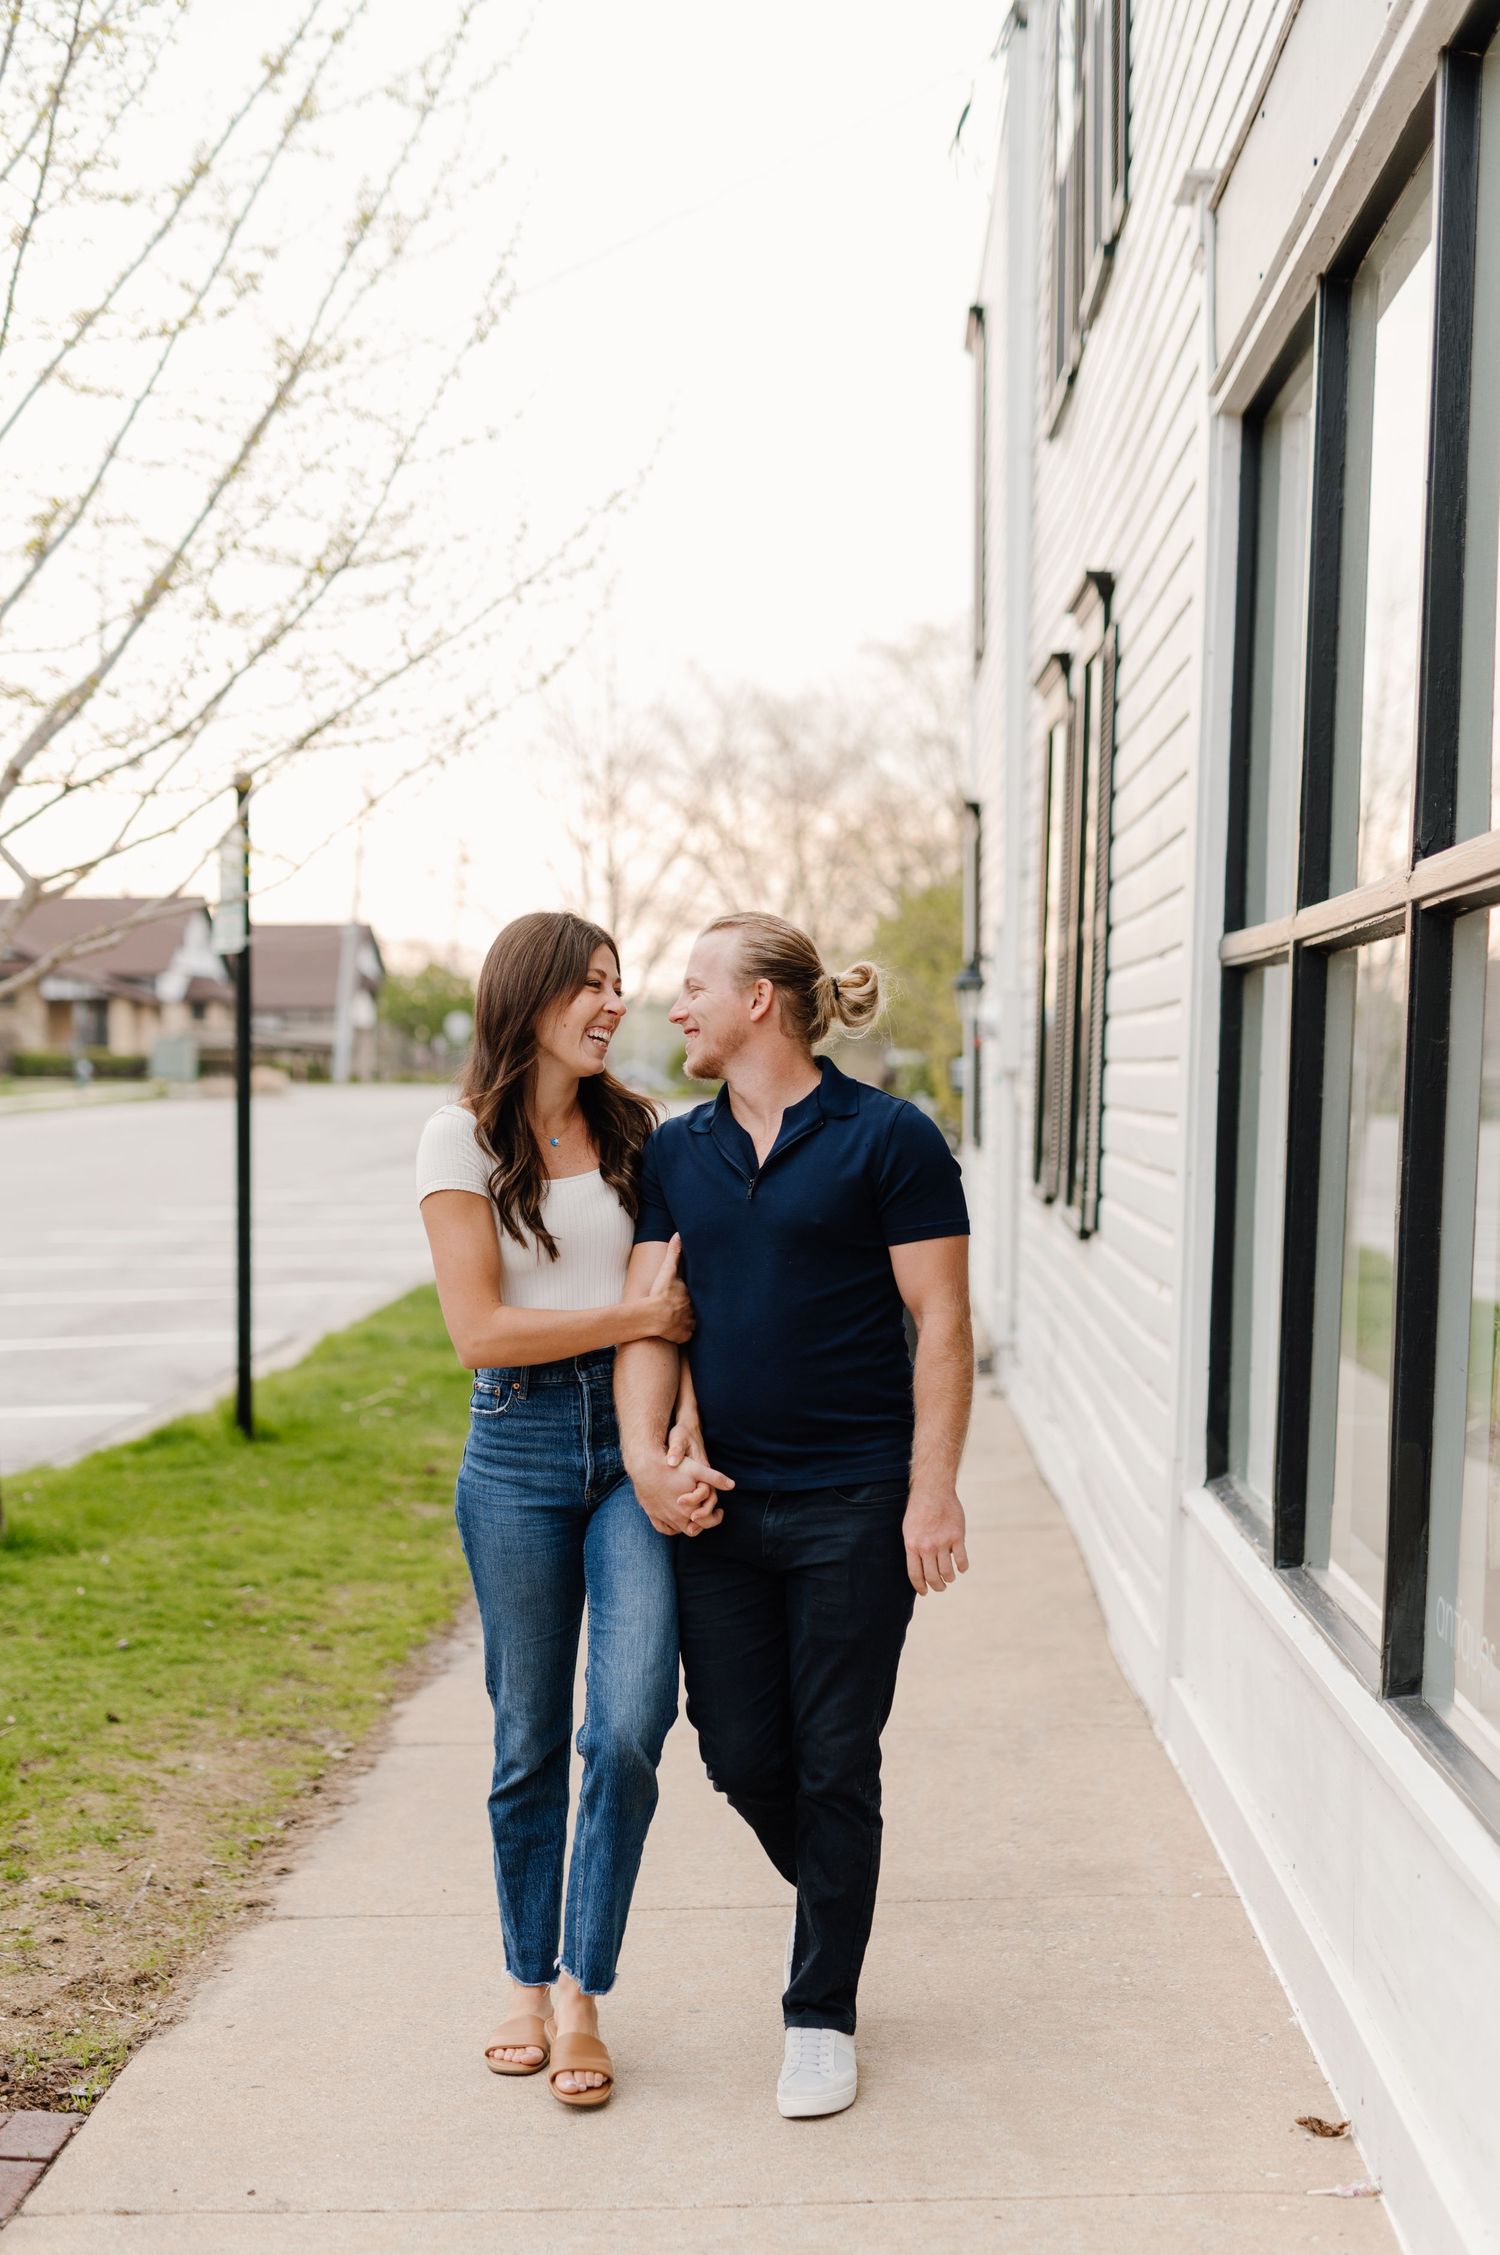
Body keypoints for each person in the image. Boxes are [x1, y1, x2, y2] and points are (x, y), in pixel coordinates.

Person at [614, 911, 973, 2119]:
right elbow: (650, 1314)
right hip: (723, 1508)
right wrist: (653, 1458)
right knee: (741, 1752)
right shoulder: (677, 1150)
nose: (677, 1007)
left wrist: (933, 1487)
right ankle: (842, 1893)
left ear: (760, 999)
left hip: (857, 1502)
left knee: (834, 1759)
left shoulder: (891, 1137)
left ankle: (819, 2009)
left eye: (693, 985)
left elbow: (944, 1326)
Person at [416, 909, 722, 2110]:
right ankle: (527, 1985)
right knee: (528, 1733)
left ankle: (588, 1985)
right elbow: (478, 1331)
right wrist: (638, 1321)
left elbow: (679, 1292)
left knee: (634, 1717)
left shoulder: (636, 1130)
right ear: (529, 994)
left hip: (632, 1437)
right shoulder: (459, 1139)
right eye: (590, 985)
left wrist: (678, 1392)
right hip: (520, 1445)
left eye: (617, 984)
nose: (613, 1003)